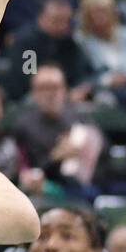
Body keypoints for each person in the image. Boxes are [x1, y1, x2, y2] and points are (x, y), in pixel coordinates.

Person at [12, 63, 104, 196]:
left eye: (55, 88)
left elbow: (103, 149)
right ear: (34, 93)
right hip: (46, 189)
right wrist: (56, 157)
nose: (50, 94)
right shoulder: (25, 125)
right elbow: (27, 170)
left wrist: (85, 149)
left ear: (64, 90)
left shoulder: (79, 117)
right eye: (43, 88)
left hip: (85, 186)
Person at [5, 0, 93, 101]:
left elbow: (80, 72)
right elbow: (26, 81)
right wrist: (64, 95)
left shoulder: (69, 42)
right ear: (42, 18)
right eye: (57, 20)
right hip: (31, 97)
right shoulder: (26, 42)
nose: (63, 26)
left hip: (67, 95)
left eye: (66, 21)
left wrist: (79, 89)